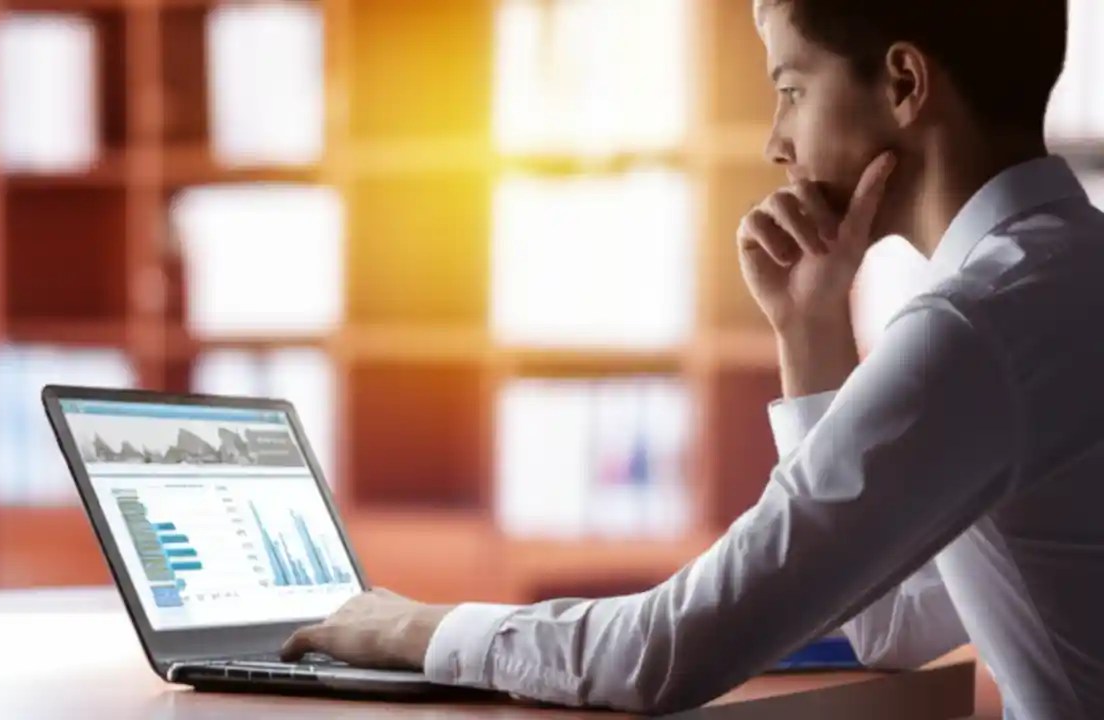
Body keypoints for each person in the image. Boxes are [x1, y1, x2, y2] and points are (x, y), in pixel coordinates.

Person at [281, 1, 1104, 716]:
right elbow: (889, 622)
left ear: (902, 85)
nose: (776, 141)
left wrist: (417, 629)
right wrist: (810, 331)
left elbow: (669, 651)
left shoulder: (976, 328)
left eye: (791, 90)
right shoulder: (1065, 276)